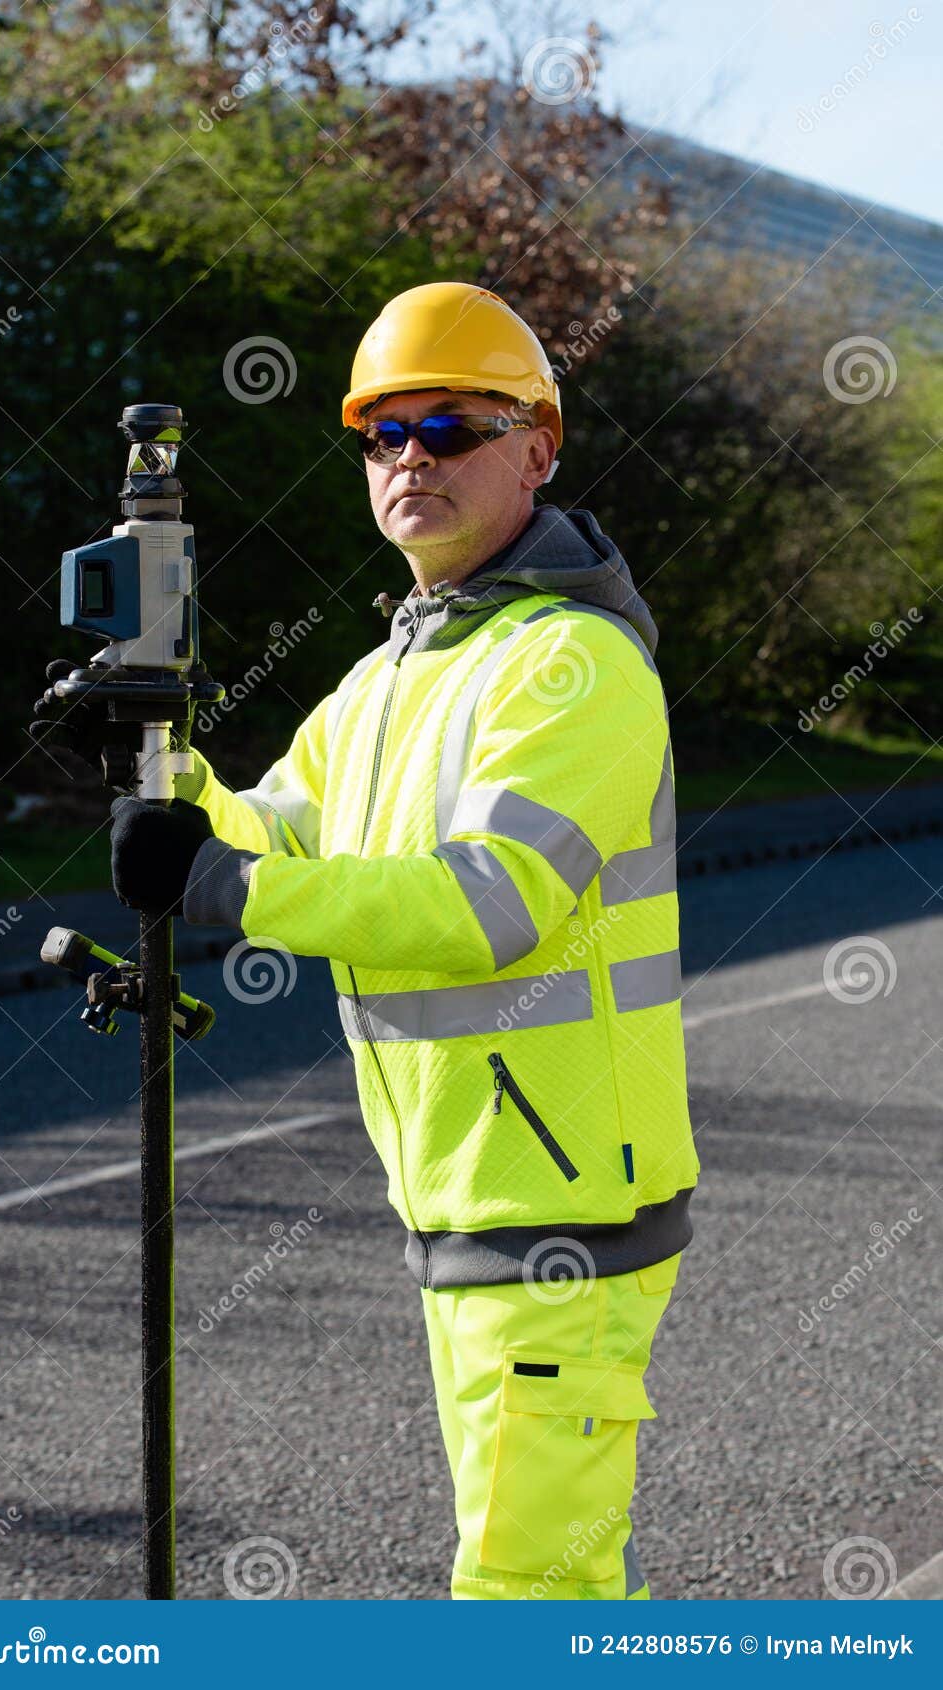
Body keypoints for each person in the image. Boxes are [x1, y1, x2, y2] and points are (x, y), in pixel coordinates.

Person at [105, 281, 700, 1600]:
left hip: (558, 1218)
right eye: (385, 432)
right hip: (466, 1207)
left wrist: (219, 885)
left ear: (538, 448)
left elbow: (486, 903)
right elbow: (277, 829)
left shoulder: (574, 663)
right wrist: (159, 765)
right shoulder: (389, 676)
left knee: (523, 1597)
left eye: (452, 424)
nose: (413, 456)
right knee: (551, 1579)